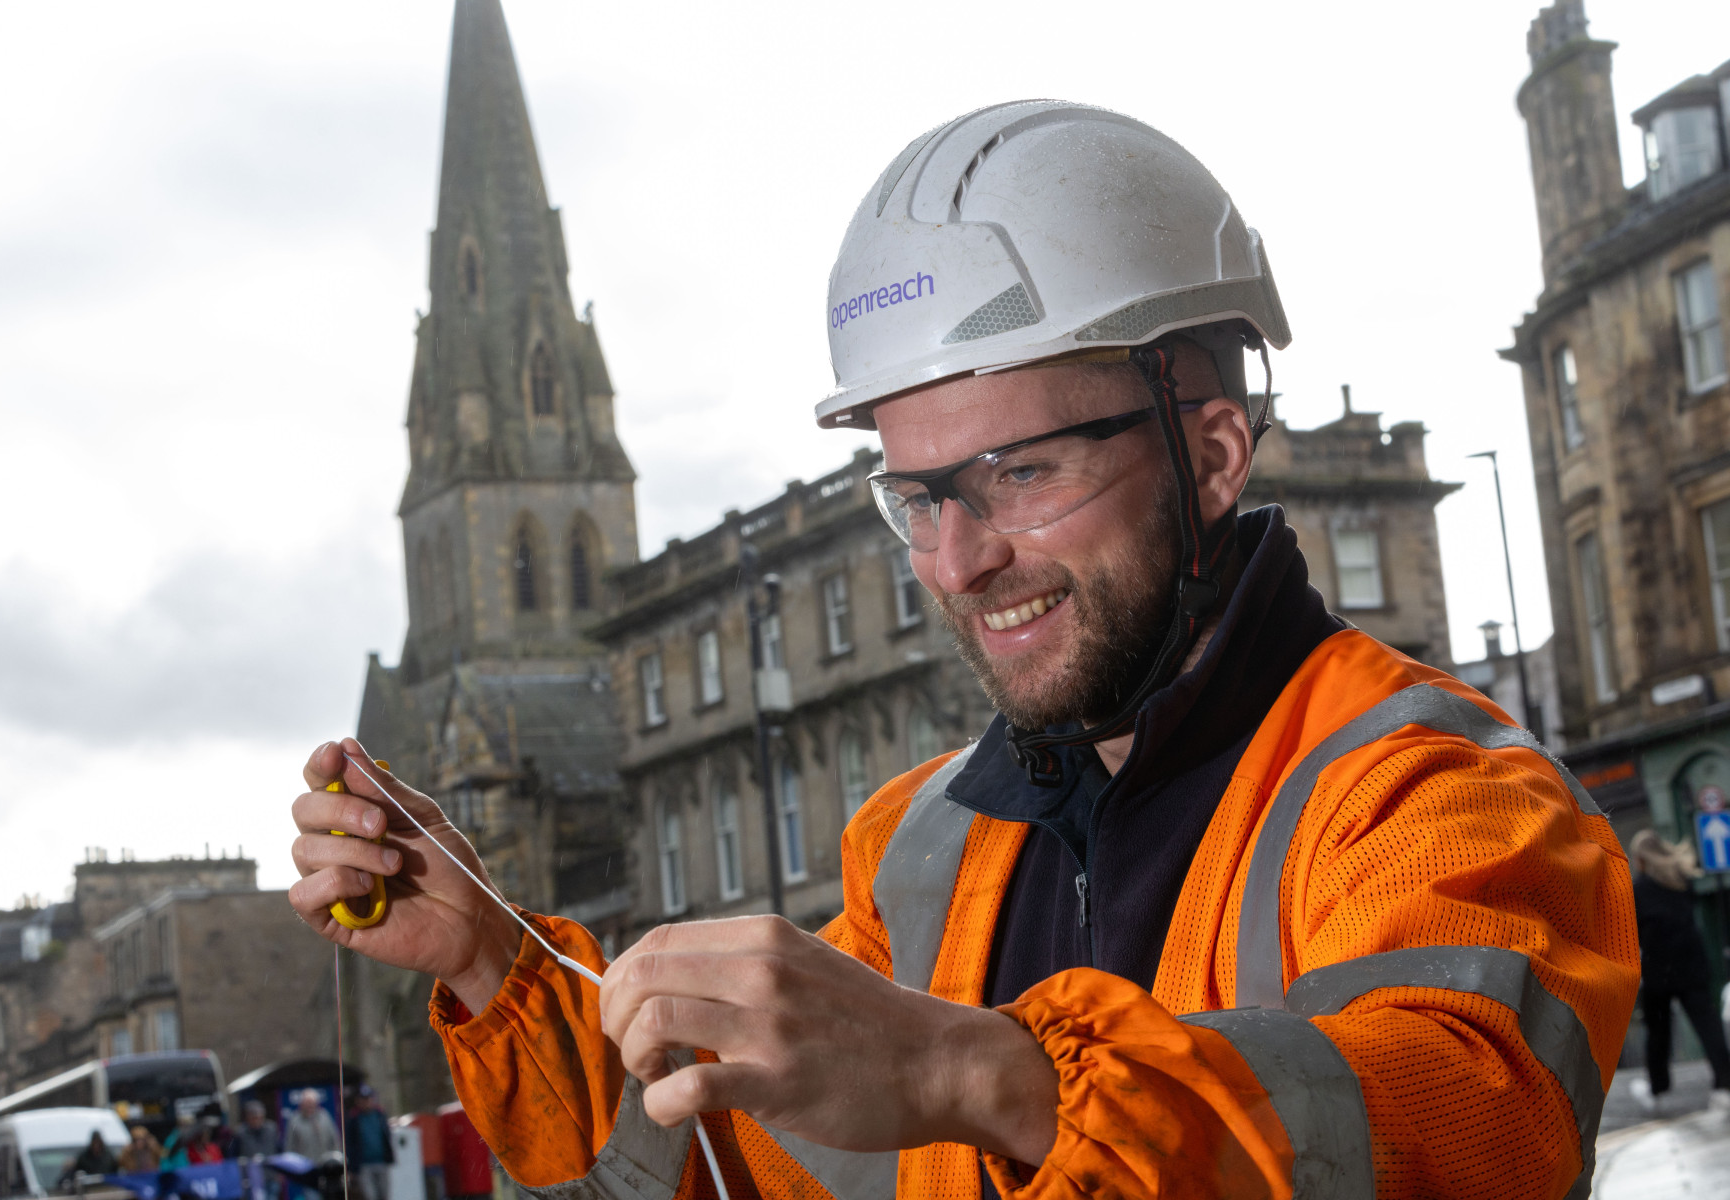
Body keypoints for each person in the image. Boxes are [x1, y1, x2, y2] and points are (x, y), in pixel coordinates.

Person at [290, 101, 1639, 1198]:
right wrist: (493, 959)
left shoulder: (1444, 798)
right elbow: (719, 1171)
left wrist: (979, 1079)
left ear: (1213, 451)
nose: (957, 559)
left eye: (1020, 472)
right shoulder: (923, 849)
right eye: (922, 495)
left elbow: (1458, 1134)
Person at [1628, 829, 1730, 1113]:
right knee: (1707, 1025)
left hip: (1659, 969)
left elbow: (1633, 931)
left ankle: (1657, 1088)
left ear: (1641, 859)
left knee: (1658, 1031)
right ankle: (1724, 1084)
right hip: (1692, 964)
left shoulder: (1640, 889)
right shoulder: (1680, 881)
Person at [346, 1088, 395, 1200]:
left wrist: (389, 1156)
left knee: (384, 1195)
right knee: (370, 1196)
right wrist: (352, 1168)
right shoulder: (353, 1119)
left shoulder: (380, 1115)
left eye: (368, 1099)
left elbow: (386, 1136)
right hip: (364, 1165)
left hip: (381, 1162)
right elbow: (350, 1144)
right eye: (362, 1099)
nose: (366, 1102)